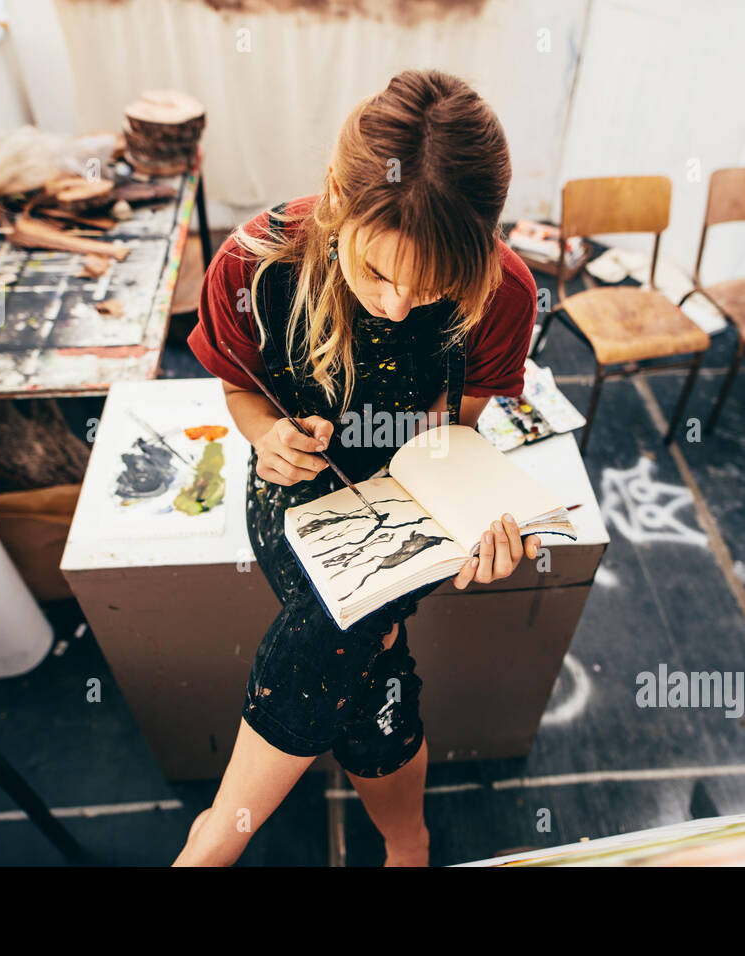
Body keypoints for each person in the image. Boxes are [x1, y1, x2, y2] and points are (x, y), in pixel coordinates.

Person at [177, 68, 538, 866]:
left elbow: (462, 424)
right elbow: (239, 391)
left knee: (349, 625)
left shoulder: (507, 289)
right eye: (377, 273)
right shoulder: (255, 265)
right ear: (338, 196)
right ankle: (406, 840)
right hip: (296, 485)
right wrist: (267, 434)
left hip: (420, 492)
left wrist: (470, 505)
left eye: (434, 283)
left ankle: (216, 836)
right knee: (366, 649)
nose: (399, 306)